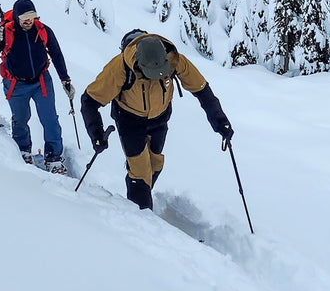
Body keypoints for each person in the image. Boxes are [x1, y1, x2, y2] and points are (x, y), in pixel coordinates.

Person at [81, 31, 234, 210]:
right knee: (140, 173)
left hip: (159, 118)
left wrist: (220, 121)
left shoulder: (174, 61)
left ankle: (140, 194)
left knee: (155, 164)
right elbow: (89, 101)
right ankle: (142, 218)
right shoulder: (120, 68)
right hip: (130, 120)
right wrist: (96, 135)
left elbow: (202, 90)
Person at [0, 0, 74, 173]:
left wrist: (65, 80)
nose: (28, 20)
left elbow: (56, 54)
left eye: (32, 16)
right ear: (16, 17)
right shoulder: (6, 33)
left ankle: (54, 158)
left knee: (50, 119)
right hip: (16, 84)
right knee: (21, 119)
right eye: (24, 17)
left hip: (41, 81)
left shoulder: (43, 30)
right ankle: (23, 150)